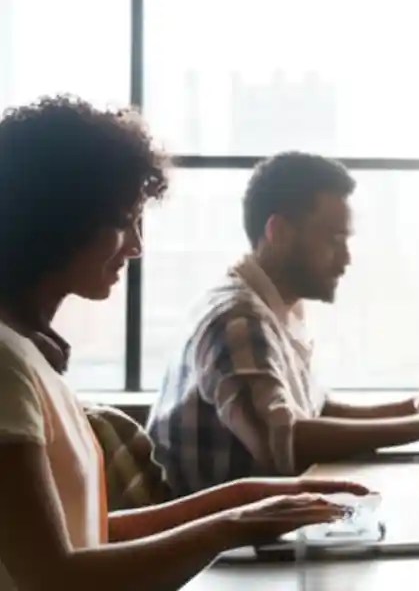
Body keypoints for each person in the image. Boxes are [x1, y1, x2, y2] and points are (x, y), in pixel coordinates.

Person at [0, 96, 363, 591]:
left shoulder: (26, 353)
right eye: (125, 220)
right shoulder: (5, 362)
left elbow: (92, 537)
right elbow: (53, 576)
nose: (137, 245)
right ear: (63, 219)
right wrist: (233, 526)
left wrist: (253, 498)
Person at [147, 152, 419, 495]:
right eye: (333, 240)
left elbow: (313, 411)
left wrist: (412, 408)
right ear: (278, 232)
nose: (346, 259)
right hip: (228, 545)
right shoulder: (239, 320)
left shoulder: (274, 306)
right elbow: (282, 444)